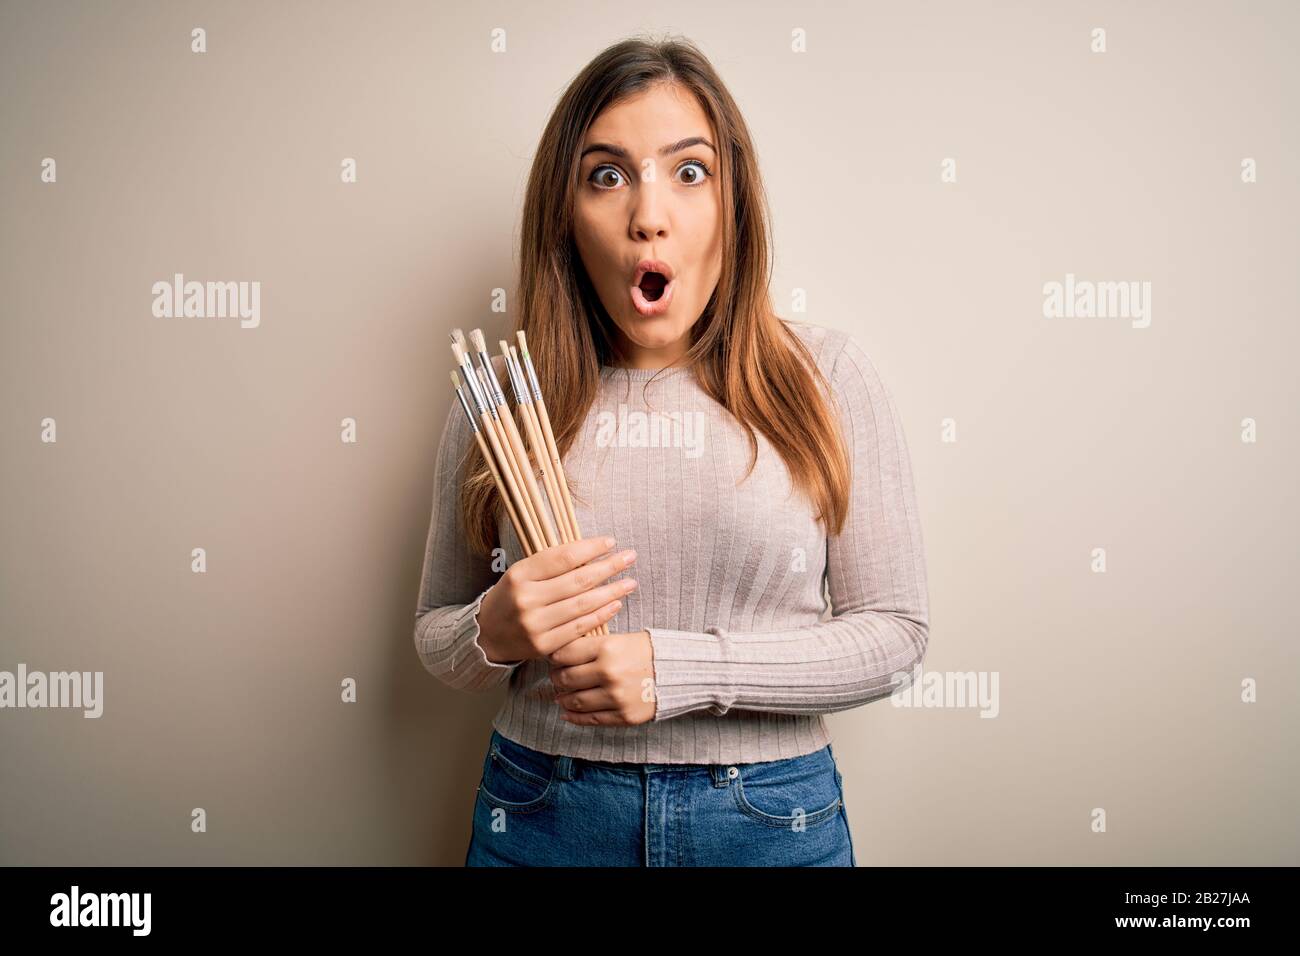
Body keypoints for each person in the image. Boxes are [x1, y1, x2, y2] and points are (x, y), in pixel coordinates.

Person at [414, 35, 930, 867]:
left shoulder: (828, 377)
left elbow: (897, 637)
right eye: (607, 175)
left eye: (689, 172)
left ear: (734, 203)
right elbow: (435, 633)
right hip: (543, 811)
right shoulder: (505, 397)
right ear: (566, 216)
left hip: (770, 822)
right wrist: (495, 629)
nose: (648, 213)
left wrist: (677, 670)